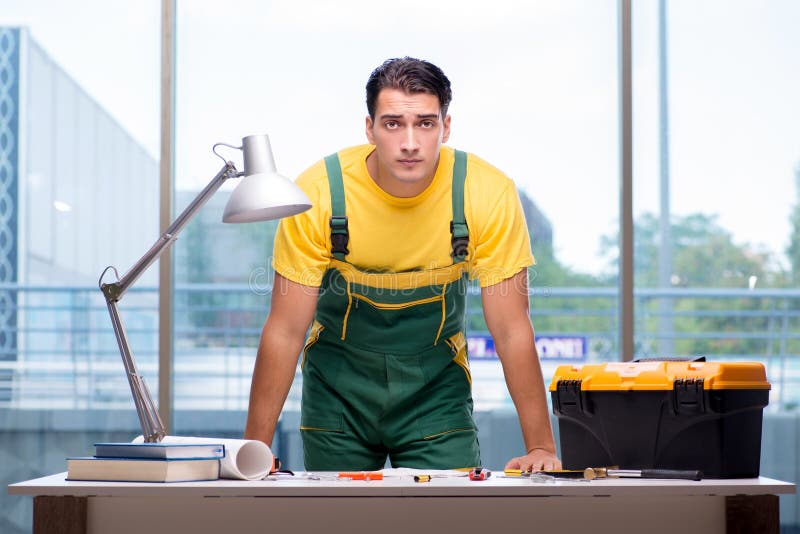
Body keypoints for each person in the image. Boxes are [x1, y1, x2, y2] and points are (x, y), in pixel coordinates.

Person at [244, 57, 561, 473]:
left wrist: (540, 447)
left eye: (425, 124)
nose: (409, 142)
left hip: (436, 396)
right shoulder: (319, 193)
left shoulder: (486, 193)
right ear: (369, 128)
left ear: (446, 127)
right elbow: (285, 331)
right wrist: (251, 451)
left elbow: (512, 329)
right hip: (338, 395)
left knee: (449, 514)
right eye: (393, 123)